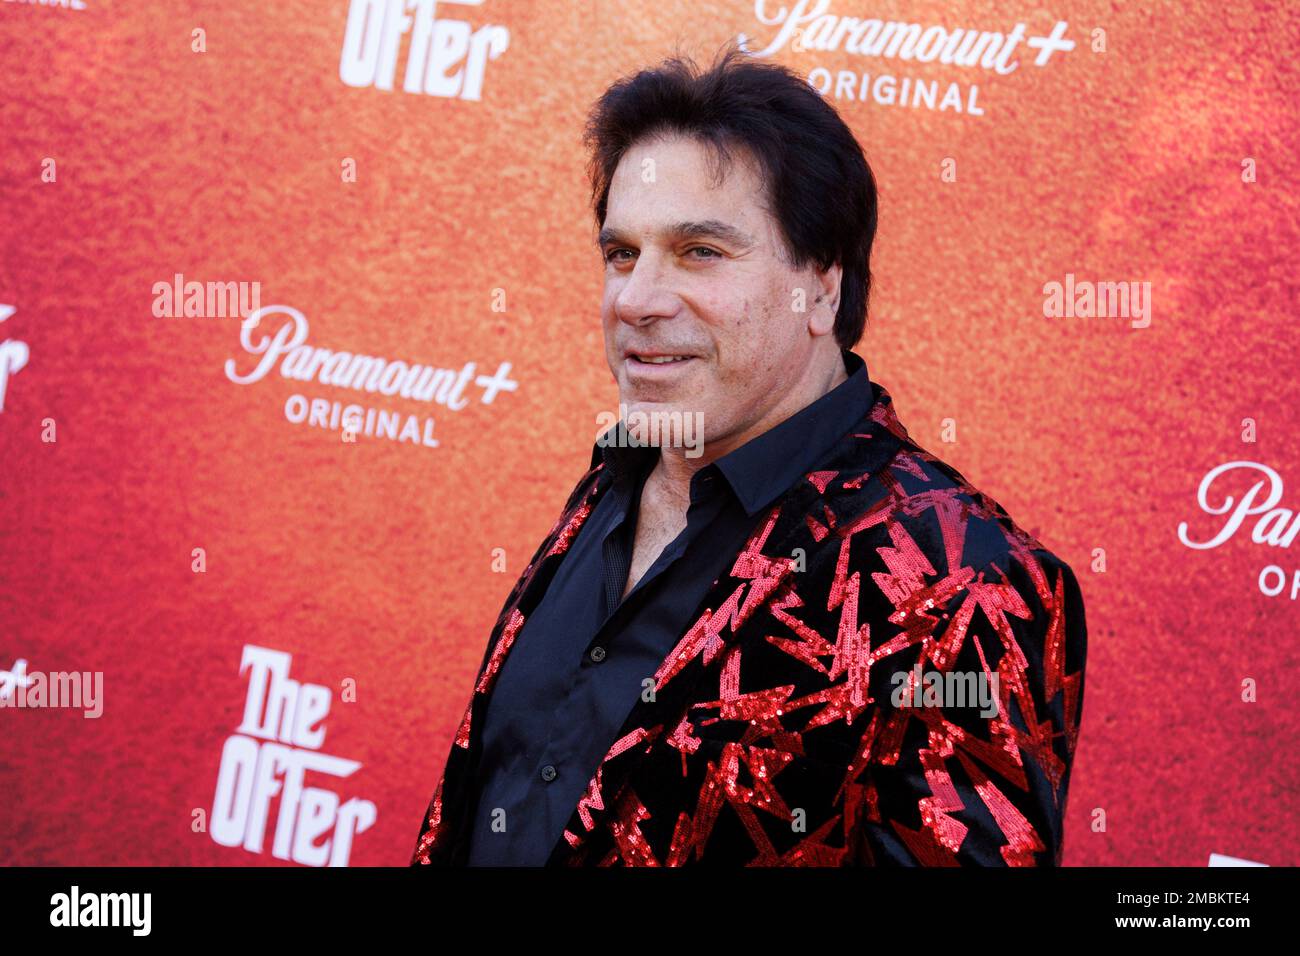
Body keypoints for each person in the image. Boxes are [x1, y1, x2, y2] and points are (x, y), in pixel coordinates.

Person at [412, 44, 1087, 866]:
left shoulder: (962, 584)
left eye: (700, 251)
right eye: (621, 254)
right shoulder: (614, 483)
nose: (636, 299)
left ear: (823, 287)